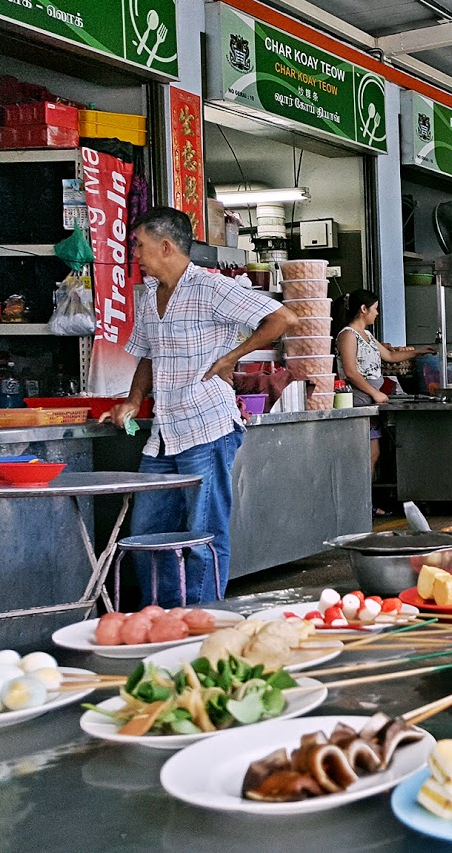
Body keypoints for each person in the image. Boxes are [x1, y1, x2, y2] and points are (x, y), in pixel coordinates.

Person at [101, 207, 298, 606]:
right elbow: (147, 356)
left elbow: (283, 318)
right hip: (163, 436)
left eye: (139, 245)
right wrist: (134, 400)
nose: (135, 254)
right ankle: (164, 617)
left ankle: (202, 619)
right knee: (147, 536)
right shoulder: (149, 297)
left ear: (166, 246)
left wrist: (233, 358)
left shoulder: (211, 288)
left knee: (204, 534)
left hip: (207, 430)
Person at [336, 289, 426, 476]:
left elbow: (390, 356)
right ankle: (362, 503)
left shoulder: (366, 335)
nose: (377, 313)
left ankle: (367, 503)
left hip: (370, 399)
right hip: (359, 399)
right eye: (375, 309)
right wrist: (374, 393)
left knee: (373, 454)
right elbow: (351, 371)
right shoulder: (348, 335)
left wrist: (418, 352)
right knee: (367, 454)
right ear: (363, 309)